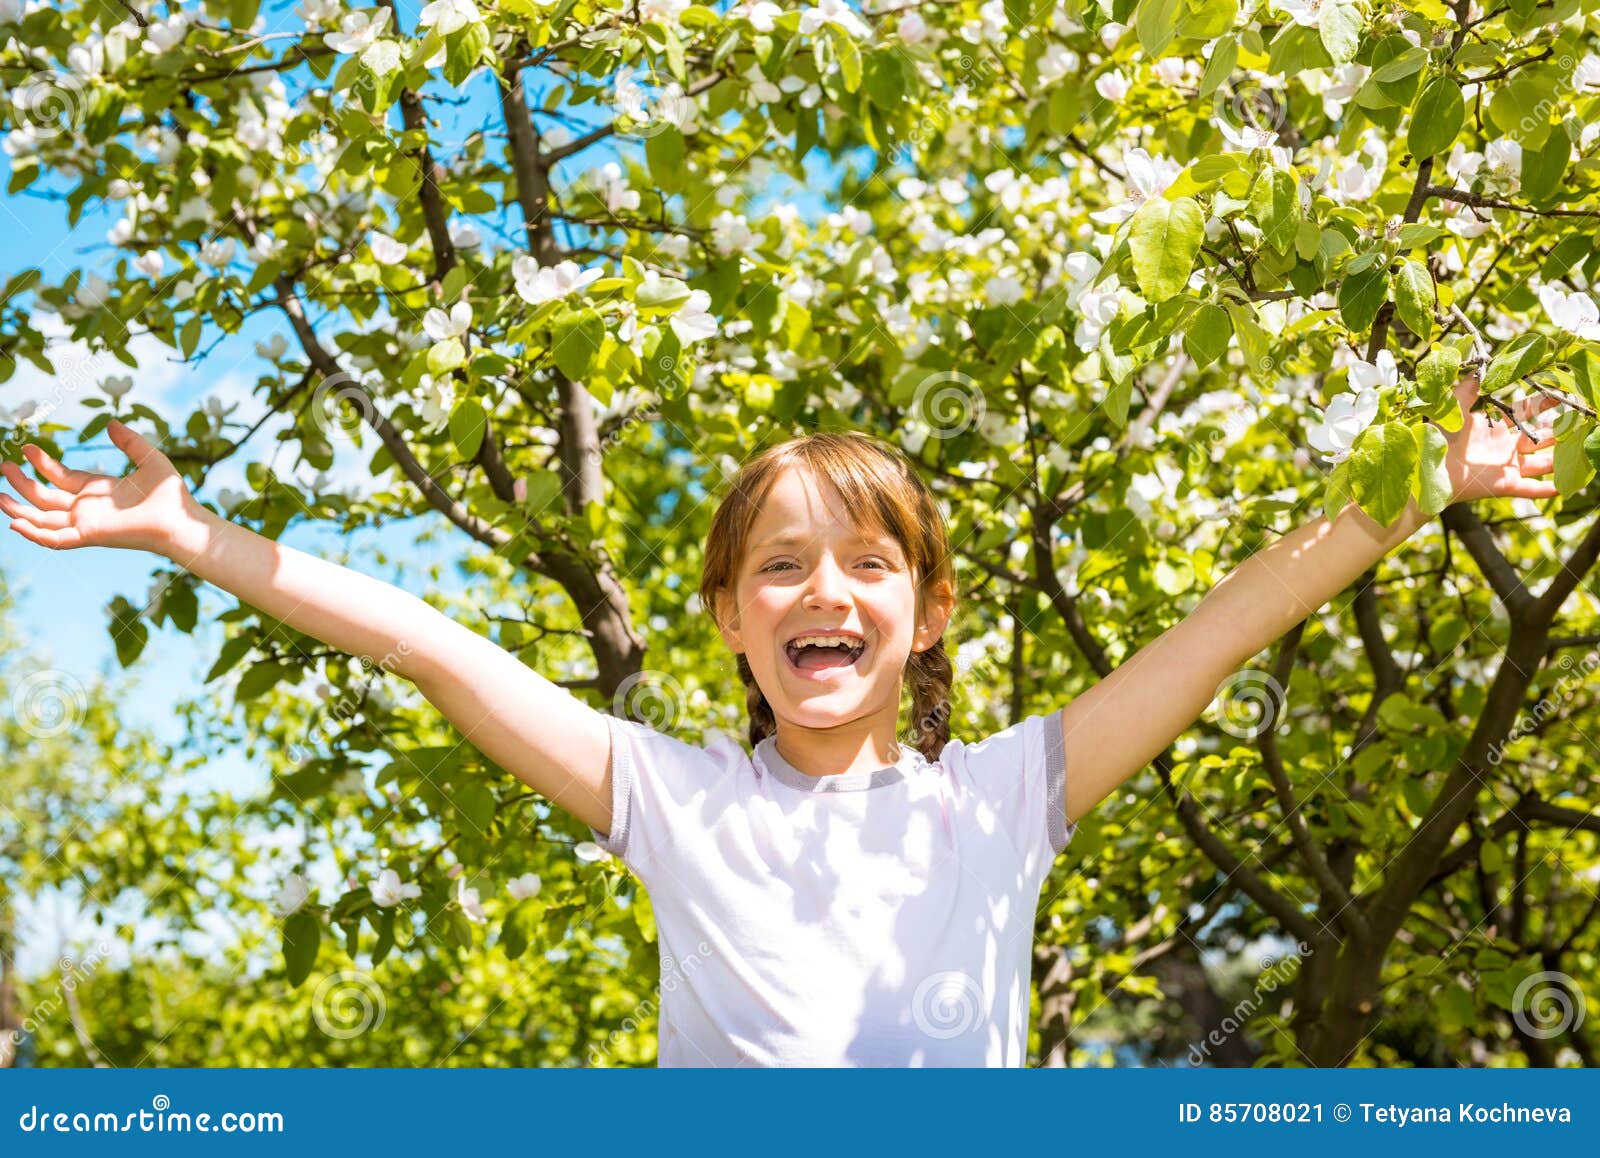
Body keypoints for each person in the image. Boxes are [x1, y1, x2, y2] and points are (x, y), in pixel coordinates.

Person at [0, 374, 1560, 1065]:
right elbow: (425, 640)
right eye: (782, 564)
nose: (826, 589)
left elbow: (1229, 625)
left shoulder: (1011, 794)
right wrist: (193, 537)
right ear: (736, 620)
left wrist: (1419, 480)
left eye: (869, 562)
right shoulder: (669, 796)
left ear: (927, 613)